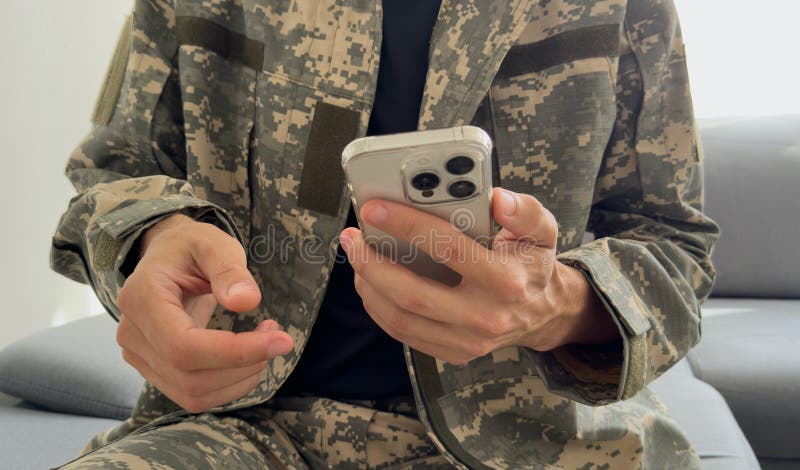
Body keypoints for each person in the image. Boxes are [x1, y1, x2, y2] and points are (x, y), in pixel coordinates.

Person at [50, 0, 719, 468]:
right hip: (231, 430)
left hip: (542, 443)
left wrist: (553, 307)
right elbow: (116, 168)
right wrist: (151, 239)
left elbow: (673, 245)